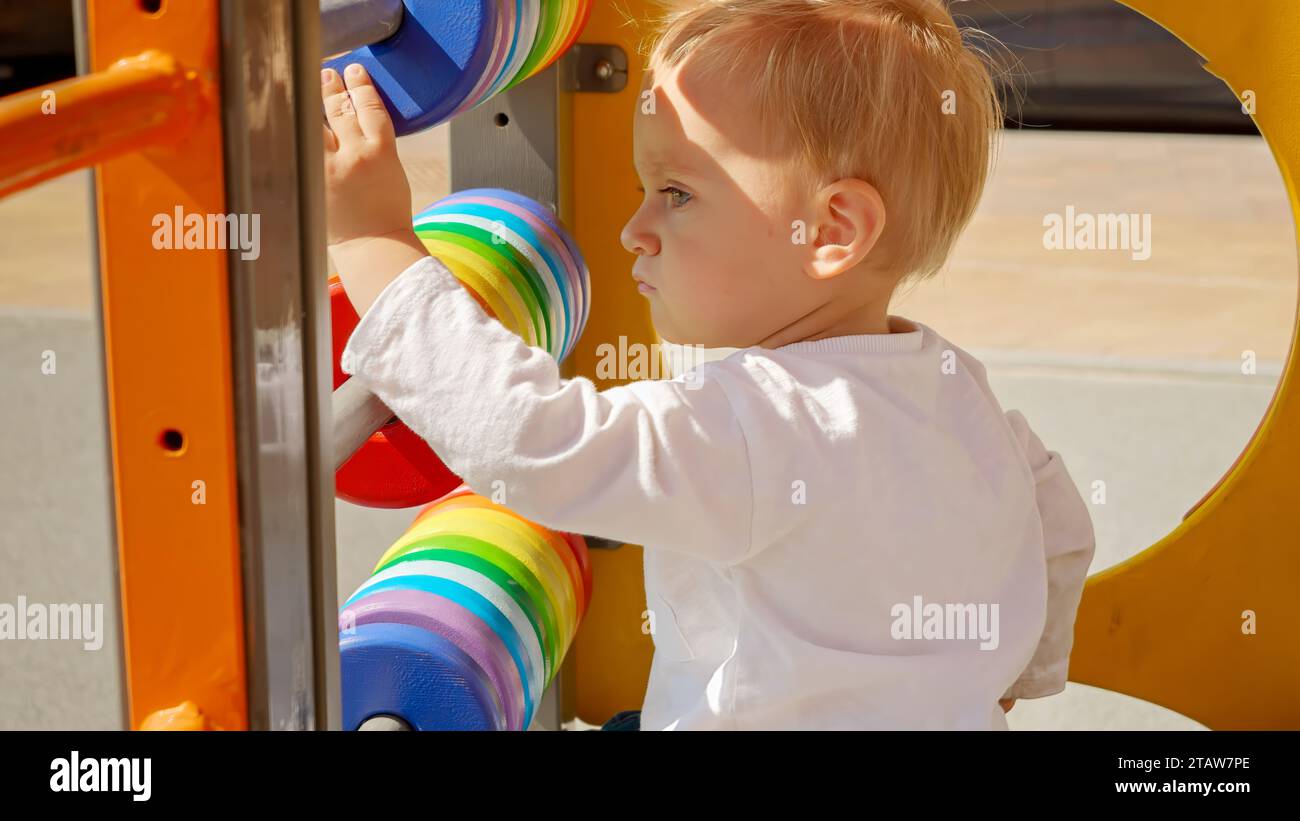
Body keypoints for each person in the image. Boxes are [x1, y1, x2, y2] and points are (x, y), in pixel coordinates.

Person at [322, 0, 1095, 730]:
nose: (633, 228)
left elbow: (534, 441)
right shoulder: (957, 389)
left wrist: (374, 242)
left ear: (832, 231)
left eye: (676, 193)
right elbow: (1059, 528)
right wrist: (1003, 682)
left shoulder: (754, 421)